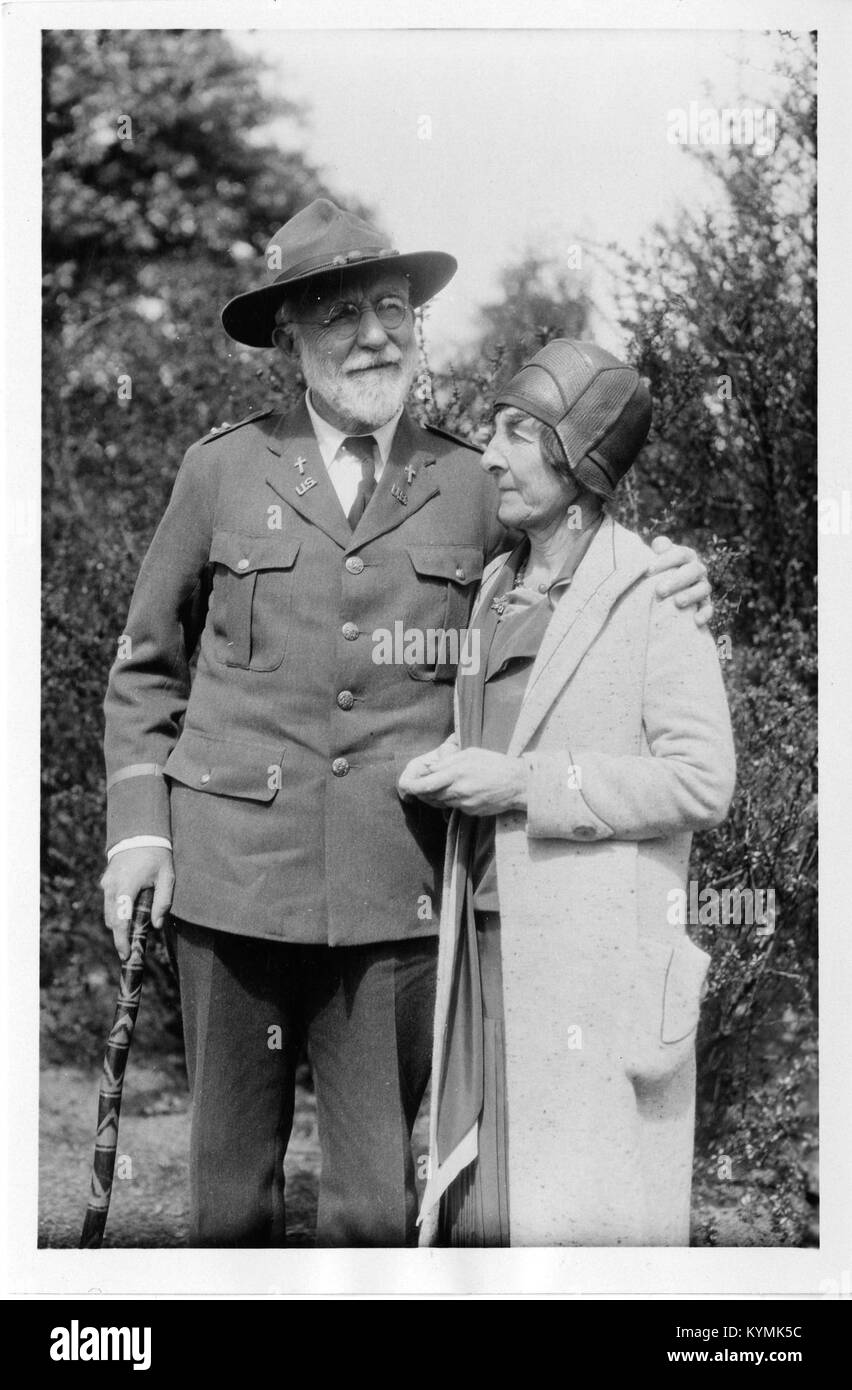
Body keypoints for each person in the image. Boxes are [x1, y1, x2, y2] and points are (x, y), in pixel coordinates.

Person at [100, 200, 713, 1247]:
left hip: (397, 894)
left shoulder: (475, 480)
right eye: (339, 314)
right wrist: (140, 833)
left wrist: (670, 573)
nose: (374, 334)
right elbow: (145, 666)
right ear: (289, 335)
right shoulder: (221, 470)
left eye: (393, 307)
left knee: (374, 1207)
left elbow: (574, 573)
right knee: (228, 1199)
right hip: (230, 881)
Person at [401, 339, 736, 1246]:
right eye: (491, 431)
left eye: (518, 434)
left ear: (578, 455)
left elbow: (704, 780)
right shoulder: (500, 588)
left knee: (575, 1238)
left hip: (588, 971)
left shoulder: (653, 590)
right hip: (485, 951)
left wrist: (524, 785)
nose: (492, 456)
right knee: (483, 1224)